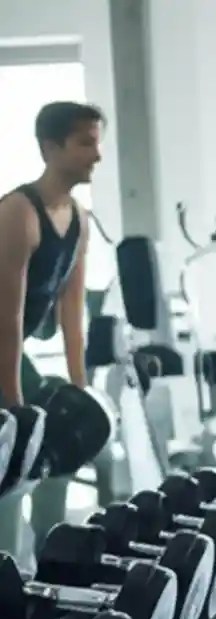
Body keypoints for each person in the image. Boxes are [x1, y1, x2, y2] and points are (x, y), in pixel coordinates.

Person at [0, 101, 101, 407]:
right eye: (85, 144)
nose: (97, 155)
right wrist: (16, 408)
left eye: (97, 144)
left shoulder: (79, 219)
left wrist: (81, 391)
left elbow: (72, 315)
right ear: (51, 148)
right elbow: (7, 319)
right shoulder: (19, 213)